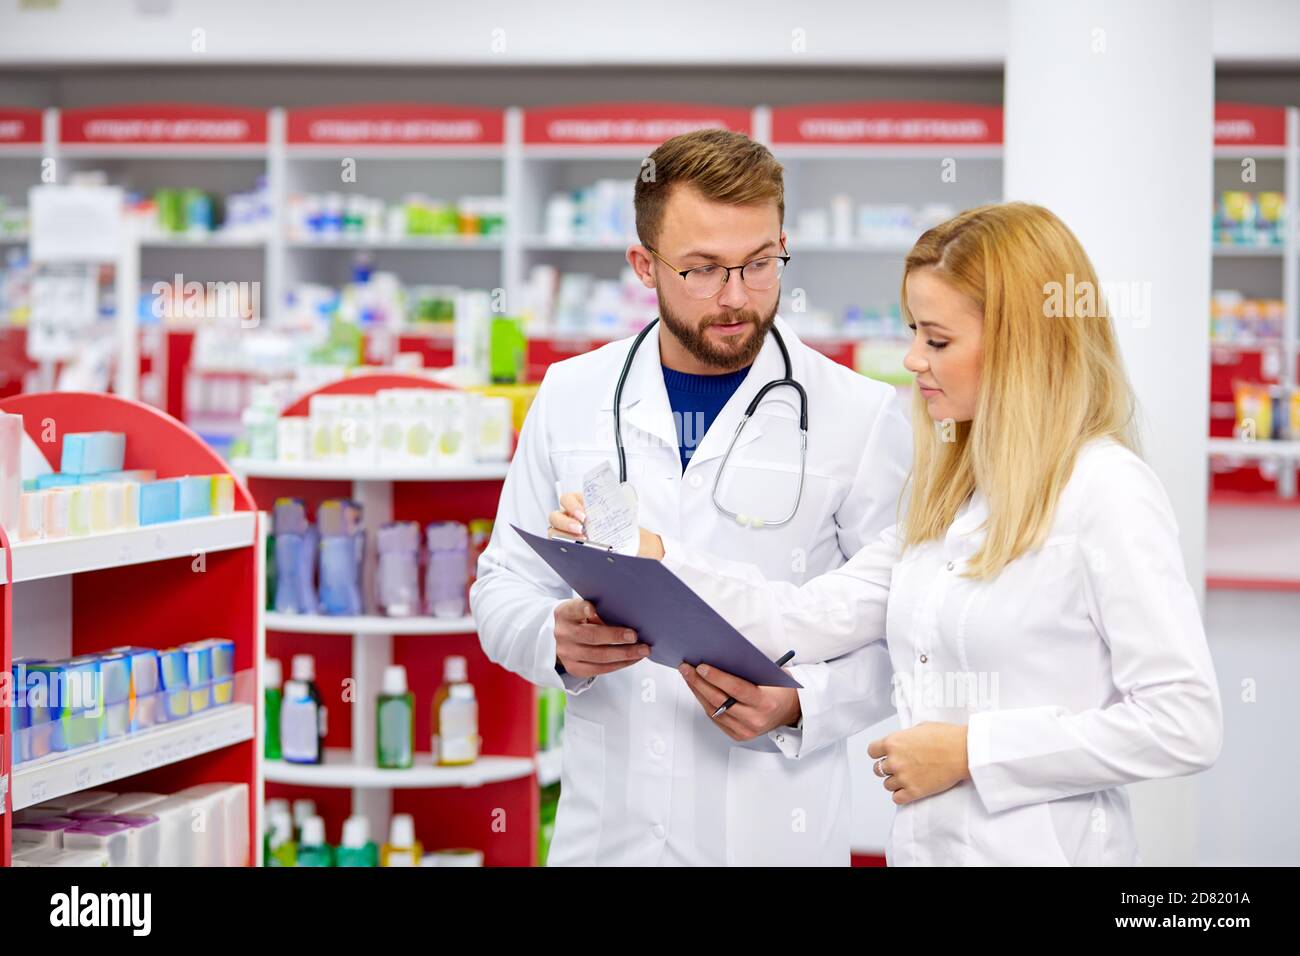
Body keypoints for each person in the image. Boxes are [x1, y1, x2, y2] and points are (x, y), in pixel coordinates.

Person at [551, 202, 1223, 866]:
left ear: (1023, 343)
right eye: (913, 333)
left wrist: (971, 752)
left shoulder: (1106, 491)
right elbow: (805, 615)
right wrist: (656, 555)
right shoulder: (954, 499)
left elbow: (1184, 723)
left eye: (937, 340)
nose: (911, 359)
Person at [471, 128, 911, 866]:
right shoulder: (573, 394)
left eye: (761, 263)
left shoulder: (859, 414)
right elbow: (499, 589)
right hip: (609, 832)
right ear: (644, 264)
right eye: (703, 270)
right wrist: (559, 642)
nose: (736, 297)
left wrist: (804, 702)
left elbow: (908, 629)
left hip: (774, 828)